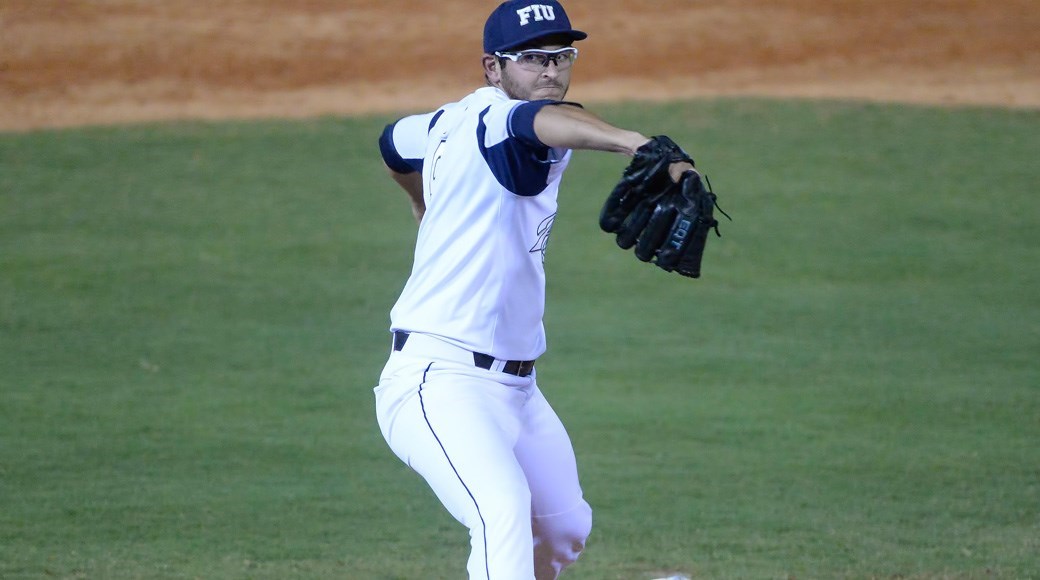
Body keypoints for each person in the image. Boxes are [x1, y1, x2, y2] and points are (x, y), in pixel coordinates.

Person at [373, 1, 693, 578]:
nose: (550, 70)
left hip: (518, 388)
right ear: (493, 69)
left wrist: (422, 201)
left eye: (561, 56)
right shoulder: (501, 118)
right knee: (502, 513)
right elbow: (535, 123)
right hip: (438, 382)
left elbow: (393, 143)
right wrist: (636, 146)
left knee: (563, 531)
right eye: (531, 59)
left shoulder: (446, 122)